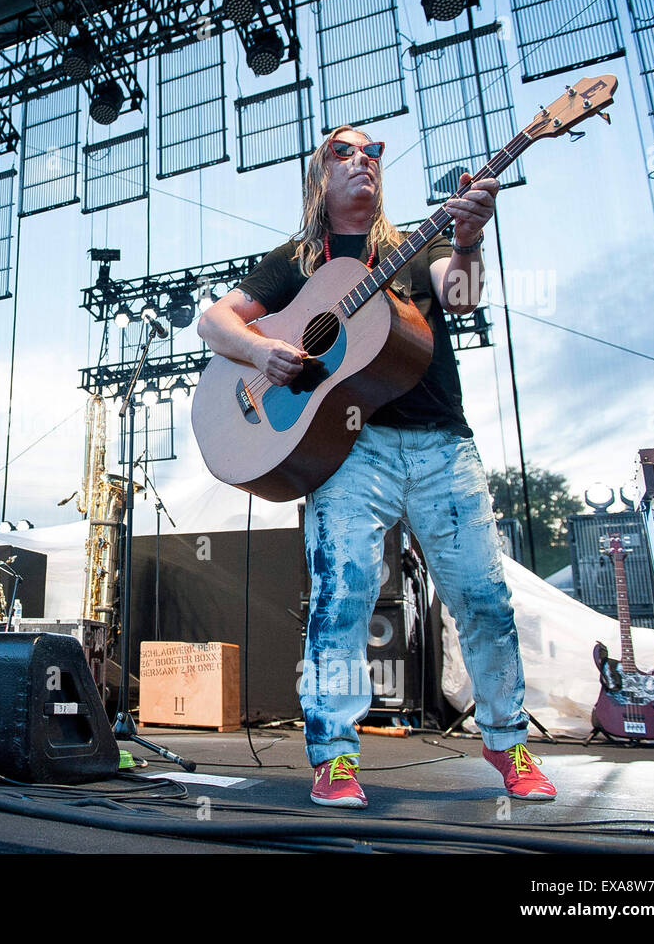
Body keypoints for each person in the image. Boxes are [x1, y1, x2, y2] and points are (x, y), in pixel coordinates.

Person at [196, 126, 555, 809]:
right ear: (317, 177)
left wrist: (473, 238)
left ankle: (507, 740)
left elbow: (463, 296)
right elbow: (214, 323)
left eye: (375, 153)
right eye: (344, 150)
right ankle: (334, 756)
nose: (364, 159)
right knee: (343, 596)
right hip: (348, 447)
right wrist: (258, 353)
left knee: (482, 597)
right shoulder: (296, 263)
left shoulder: (416, 246)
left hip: (441, 441)